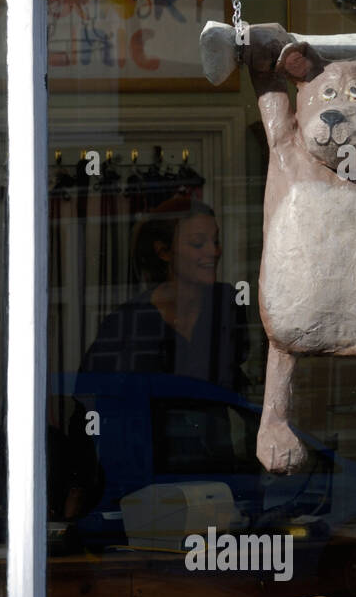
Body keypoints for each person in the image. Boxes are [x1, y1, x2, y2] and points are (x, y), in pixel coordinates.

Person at [67, 197, 249, 523]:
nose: (213, 251)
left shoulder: (228, 306)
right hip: (143, 485)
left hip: (216, 480)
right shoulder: (126, 323)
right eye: (198, 243)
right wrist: (78, 496)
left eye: (215, 241)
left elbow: (237, 391)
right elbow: (87, 409)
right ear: (163, 252)